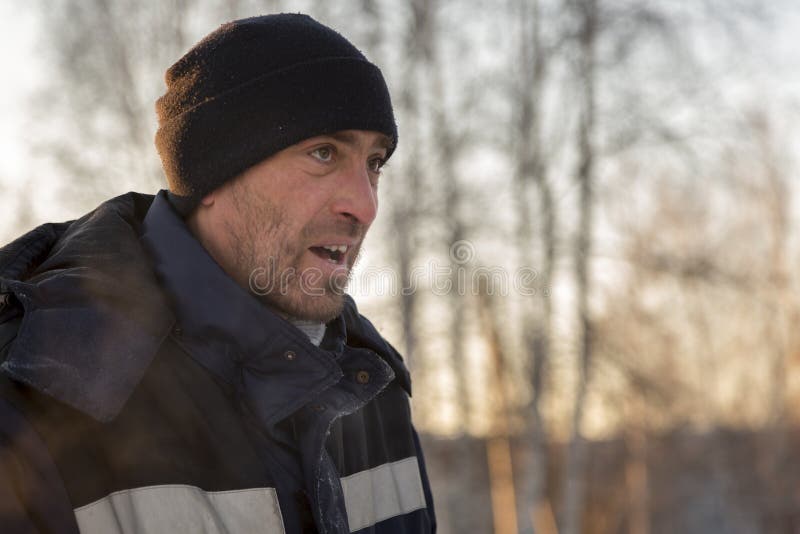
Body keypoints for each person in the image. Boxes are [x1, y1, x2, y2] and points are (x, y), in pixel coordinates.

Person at [0, 13, 435, 534]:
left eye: (375, 163)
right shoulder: (47, 393)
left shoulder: (371, 391)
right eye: (323, 153)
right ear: (211, 173)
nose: (364, 205)